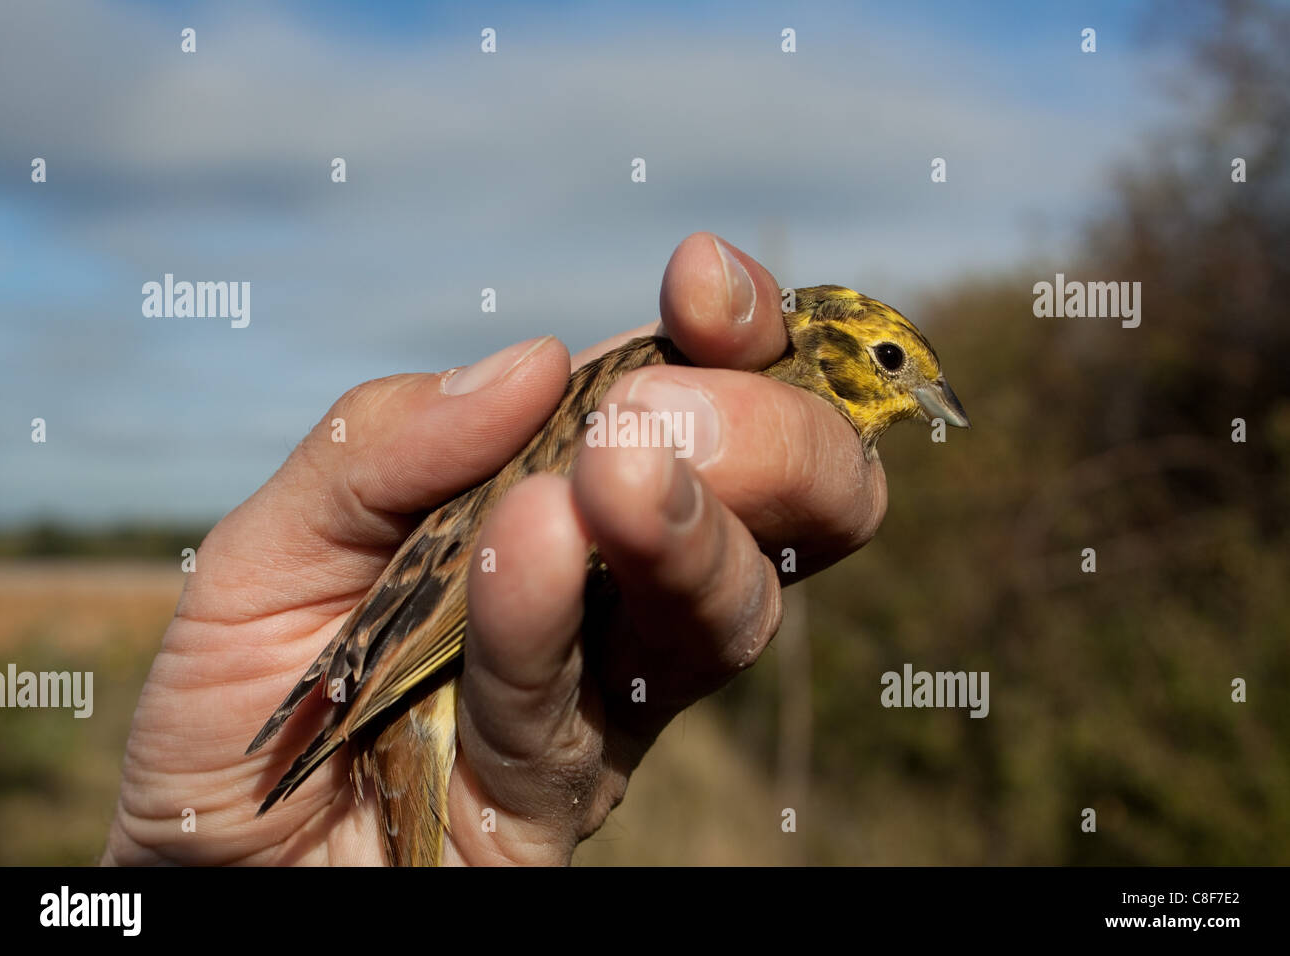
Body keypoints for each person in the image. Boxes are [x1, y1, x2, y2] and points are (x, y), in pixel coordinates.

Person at [100, 232, 888, 865]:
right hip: (415, 679)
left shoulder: (678, 387)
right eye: (891, 362)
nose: (925, 400)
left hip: (405, 674)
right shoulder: (669, 382)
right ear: (829, 349)